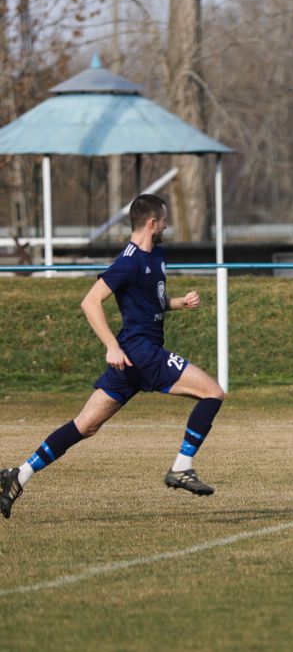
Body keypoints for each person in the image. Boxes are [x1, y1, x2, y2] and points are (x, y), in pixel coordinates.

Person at [0, 194, 225, 519]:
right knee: (212, 392)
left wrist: (178, 303)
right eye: (164, 220)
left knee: (85, 425)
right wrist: (111, 346)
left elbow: (153, 301)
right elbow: (90, 302)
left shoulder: (156, 256)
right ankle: (181, 466)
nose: (166, 226)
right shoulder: (128, 262)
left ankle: (19, 475)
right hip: (142, 353)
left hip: (132, 360)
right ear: (152, 223)